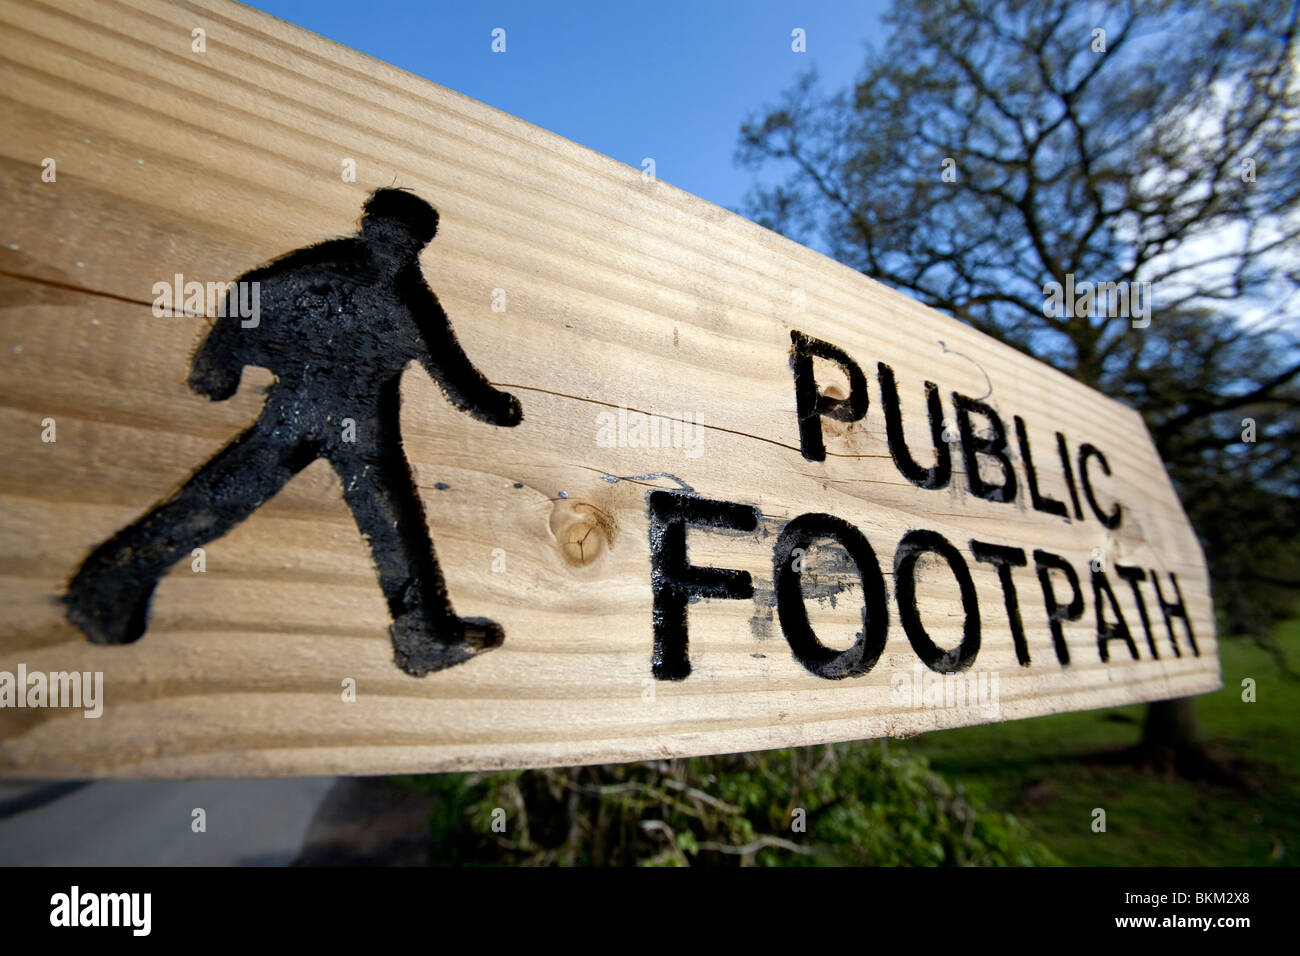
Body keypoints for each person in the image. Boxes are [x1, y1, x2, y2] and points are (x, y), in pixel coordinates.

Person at [65, 188, 522, 677]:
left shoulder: (330, 277)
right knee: (385, 524)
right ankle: (422, 634)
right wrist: (503, 411)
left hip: (311, 422)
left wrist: (215, 370)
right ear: (413, 241)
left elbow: (247, 301)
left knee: (226, 500)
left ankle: (112, 580)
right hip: (352, 433)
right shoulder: (401, 299)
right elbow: (459, 383)